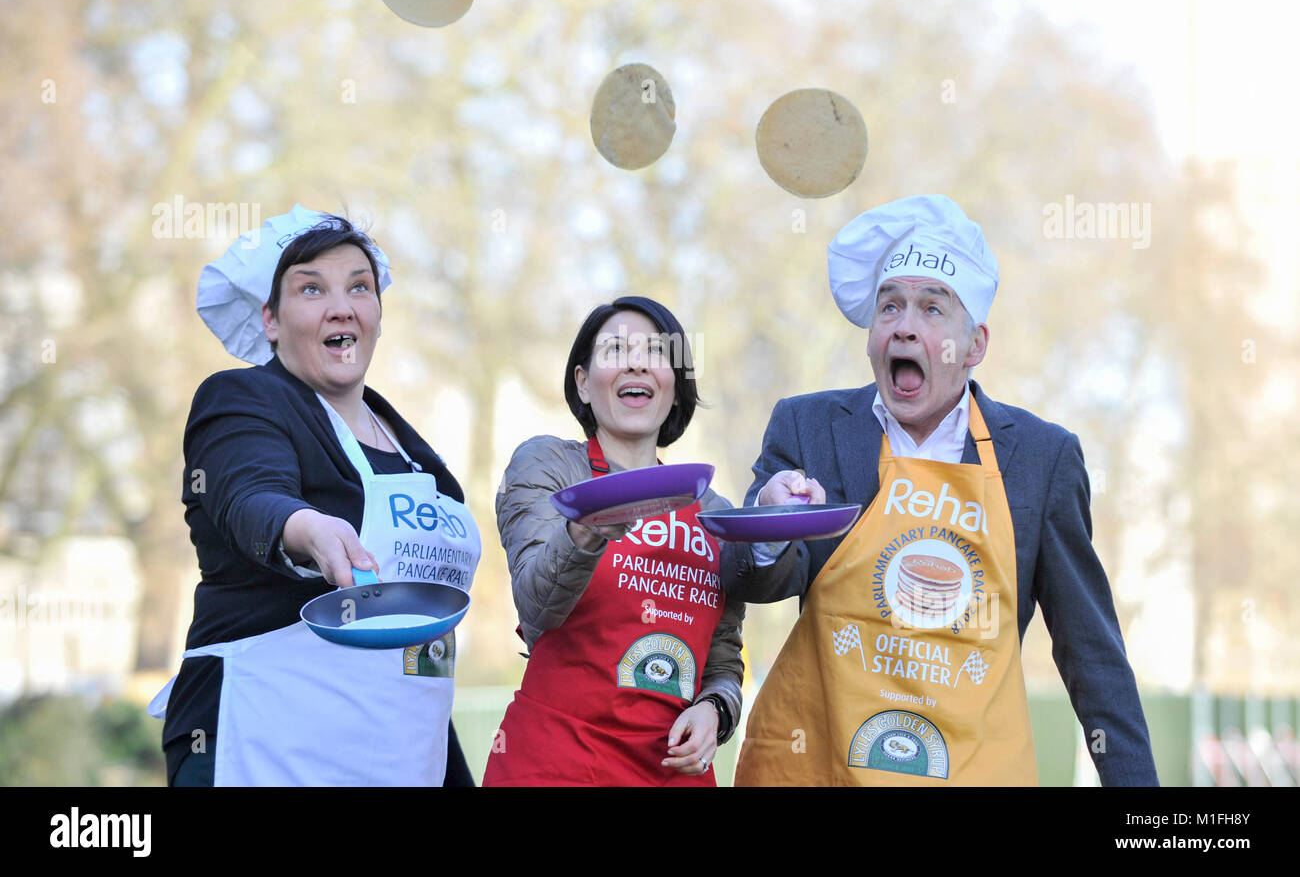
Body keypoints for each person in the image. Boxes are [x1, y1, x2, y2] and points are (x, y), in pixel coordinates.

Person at [726, 195, 1158, 786]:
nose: (905, 324)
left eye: (932, 308)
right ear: (873, 334)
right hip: (821, 768)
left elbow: (1092, 654)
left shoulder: (1040, 458)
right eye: (890, 306)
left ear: (974, 345)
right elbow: (754, 581)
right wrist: (769, 524)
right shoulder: (807, 428)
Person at [148, 205, 481, 786]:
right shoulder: (243, 399)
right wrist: (307, 529)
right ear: (271, 321)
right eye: (311, 288)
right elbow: (249, 493)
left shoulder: (419, 456)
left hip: (403, 756)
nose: (341, 305)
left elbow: (427, 656)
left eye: (359, 286)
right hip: (267, 745)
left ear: (377, 314)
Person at [482, 296, 767, 786]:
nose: (636, 361)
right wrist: (587, 528)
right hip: (553, 764)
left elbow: (723, 656)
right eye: (615, 349)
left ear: (675, 389)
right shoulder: (549, 467)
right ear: (583, 383)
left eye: (656, 351)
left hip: (671, 771)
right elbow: (537, 606)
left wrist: (715, 711)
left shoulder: (715, 512)